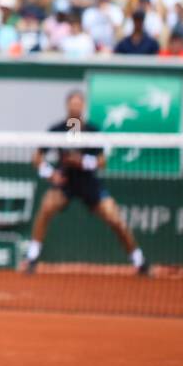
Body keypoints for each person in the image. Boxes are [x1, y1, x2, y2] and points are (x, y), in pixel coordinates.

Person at [23, 90, 149, 276]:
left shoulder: (93, 131)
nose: (75, 107)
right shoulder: (57, 129)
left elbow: (103, 160)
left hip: (89, 183)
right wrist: (51, 174)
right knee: (47, 206)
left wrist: (83, 162)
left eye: (78, 103)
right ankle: (32, 257)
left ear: (83, 106)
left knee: (115, 219)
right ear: (67, 106)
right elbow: (37, 156)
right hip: (66, 182)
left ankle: (139, 261)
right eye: (72, 103)